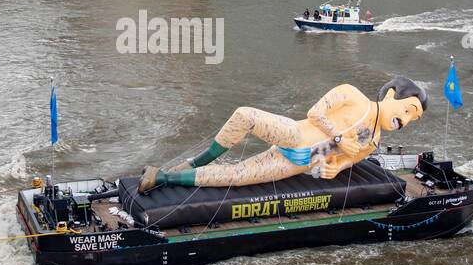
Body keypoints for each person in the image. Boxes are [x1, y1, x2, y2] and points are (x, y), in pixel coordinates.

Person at [138, 76, 428, 192]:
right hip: (294, 135)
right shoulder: (352, 95)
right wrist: (338, 137)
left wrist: (332, 167)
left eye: (412, 119)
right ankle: (196, 162)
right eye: (408, 109)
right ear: (392, 94)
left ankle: (163, 177)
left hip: (298, 162)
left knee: (236, 176)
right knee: (245, 116)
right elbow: (316, 112)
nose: (405, 120)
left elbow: (341, 164)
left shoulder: (372, 142)